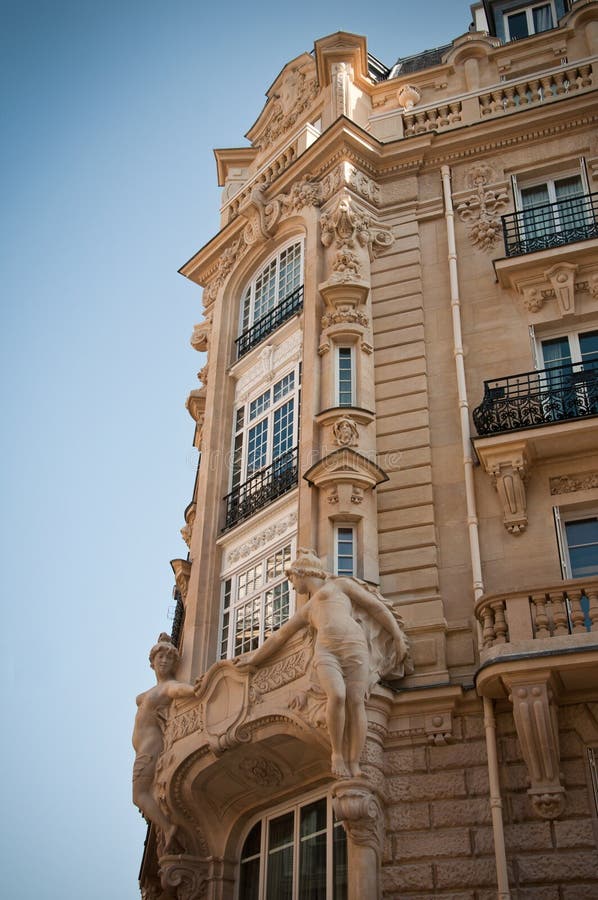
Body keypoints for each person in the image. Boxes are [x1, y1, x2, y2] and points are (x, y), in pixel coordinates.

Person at [234, 549, 411, 779]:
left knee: (356, 701)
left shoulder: (340, 586)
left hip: (354, 646)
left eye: (292, 578)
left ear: (302, 573)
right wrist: (253, 659)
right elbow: (279, 636)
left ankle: (355, 762)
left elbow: (375, 607)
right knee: (337, 695)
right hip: (327, 652)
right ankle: (337, 754)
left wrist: (396, 635)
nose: (292, 584)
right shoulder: (307, 610)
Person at [132, 634, 195, 848]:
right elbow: (140, 699)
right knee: (140, 794)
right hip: (143, 748)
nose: (164, 662)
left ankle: (169, 828)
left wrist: (197, 688)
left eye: (169, 659)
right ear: (152, 662)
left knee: (139, 795)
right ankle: (166, 826)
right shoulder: (145, 695)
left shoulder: (168, 687)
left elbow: (181, 689)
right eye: (160, 658)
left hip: (151, 746)